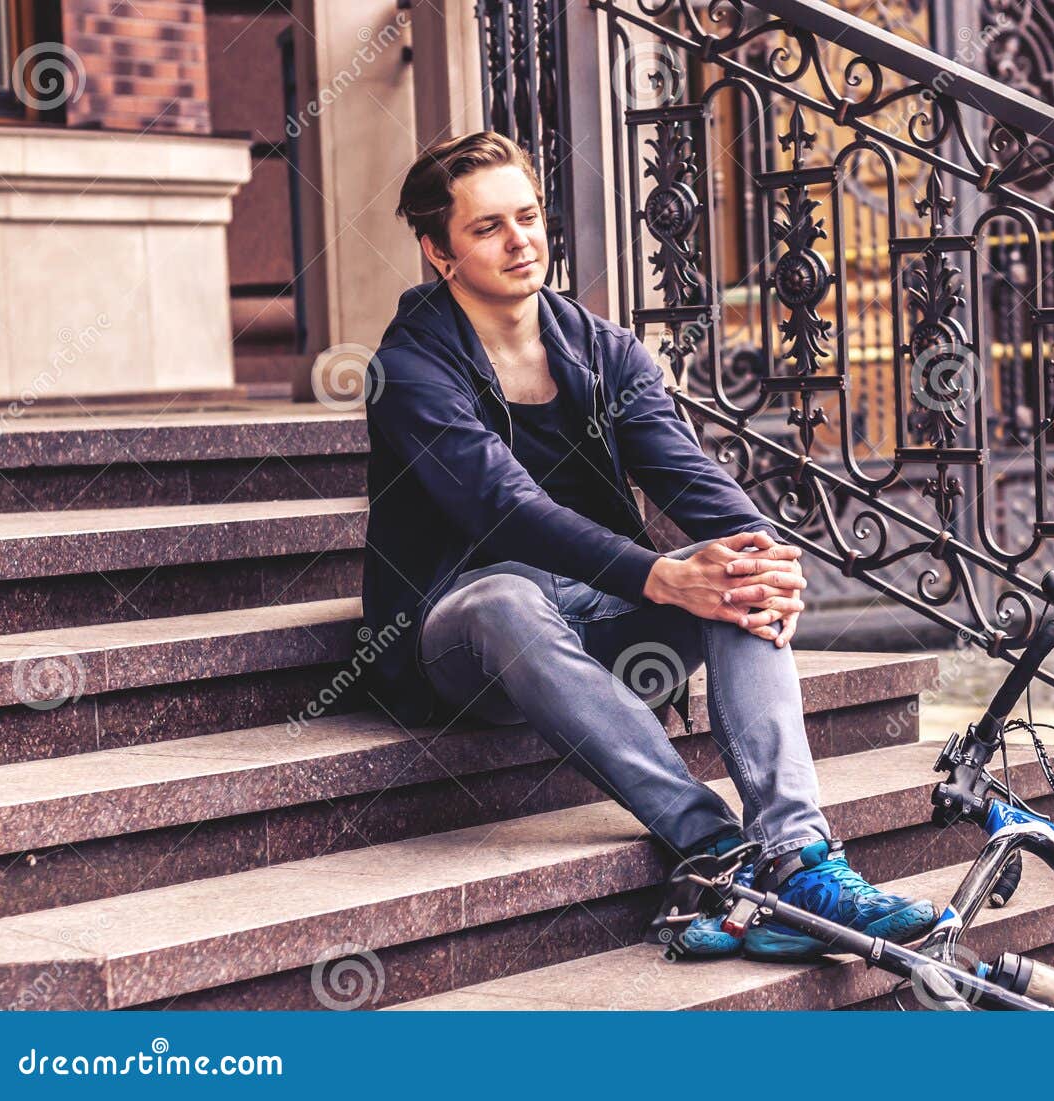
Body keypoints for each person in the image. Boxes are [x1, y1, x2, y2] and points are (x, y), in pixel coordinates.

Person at [359, 131, 935, 960]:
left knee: (734, 570)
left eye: (528, 216)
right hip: (460, 639)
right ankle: (717, 848)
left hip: (596, 614)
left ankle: (797, 857)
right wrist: (660, 575)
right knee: (505, 596)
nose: (520, 240)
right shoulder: (410, 368)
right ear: (438, 251)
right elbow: (503, 508)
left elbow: (690, 477)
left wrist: (765, 556)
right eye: (487, 227)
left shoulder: (603, 349)